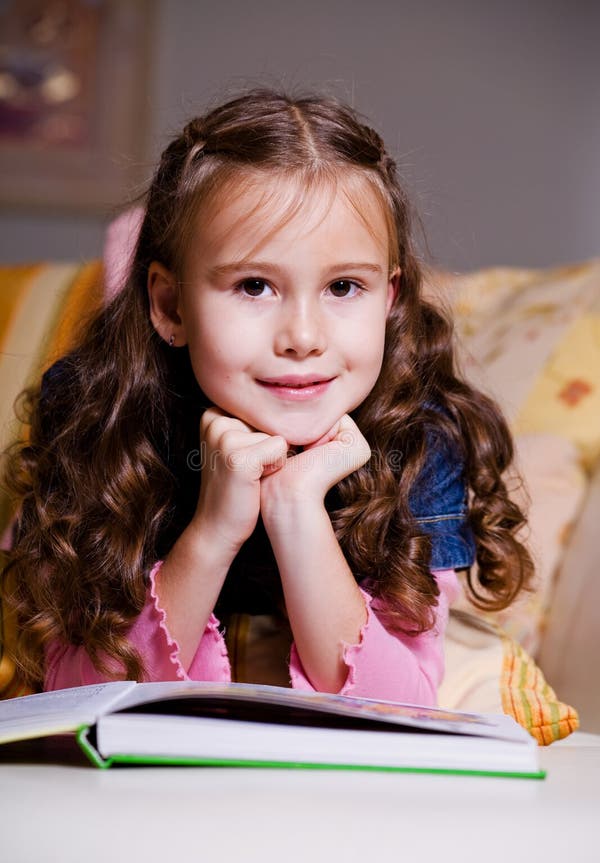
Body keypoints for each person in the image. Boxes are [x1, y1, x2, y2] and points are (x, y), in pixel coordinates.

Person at [1, 88, 533, 702]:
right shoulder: (99, 413)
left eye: (343, 287)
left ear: (388, 300)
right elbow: (78, 694)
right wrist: (213, 529)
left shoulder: (418, 433)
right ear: (170, 305)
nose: (303, 338)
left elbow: (399, 704)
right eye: (254, 286)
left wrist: (295, 506)